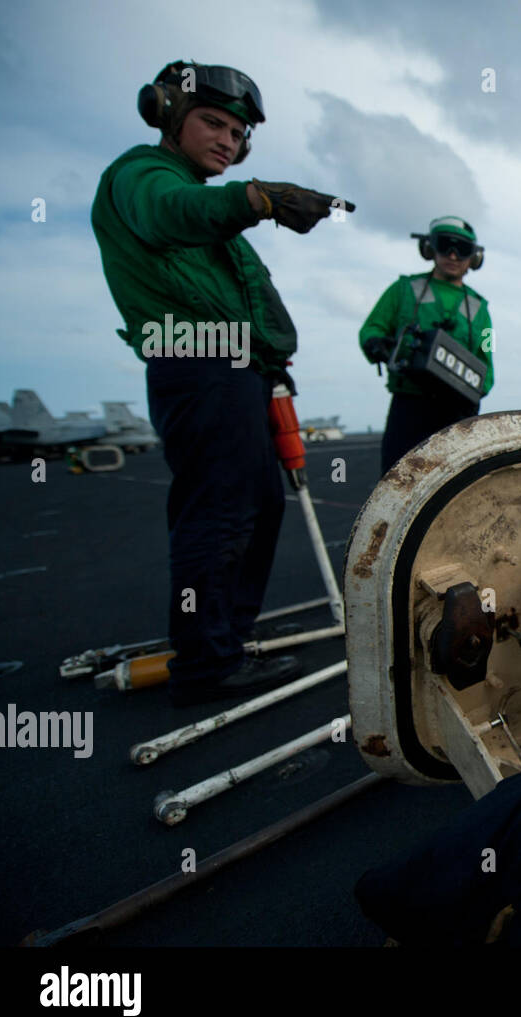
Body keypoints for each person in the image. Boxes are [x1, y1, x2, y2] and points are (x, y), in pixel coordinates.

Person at [92, 61, 346, 706]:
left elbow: (244, 297)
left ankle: (222, 642)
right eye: (212, 122)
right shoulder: (143, 177)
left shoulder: (211, 209)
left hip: (237, 370)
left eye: (237, 132)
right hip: (196, 363)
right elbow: (167, 214)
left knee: (254, 507)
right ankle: (206, 665)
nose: (227, 141)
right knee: (221, 513)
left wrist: (268, 362)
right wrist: (256, 199)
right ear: (167, 116)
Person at [361, 217, 494, 475]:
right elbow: (372, 328)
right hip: (410, 405)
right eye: (445, 246)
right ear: (430, 249)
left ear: (473, 258)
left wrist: (475, 391)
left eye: (462, 249)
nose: (453, 255)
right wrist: (378, 344)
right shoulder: (403, 290)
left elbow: (486, 359)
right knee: (397, 478)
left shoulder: (480, 308)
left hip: (457, 412)